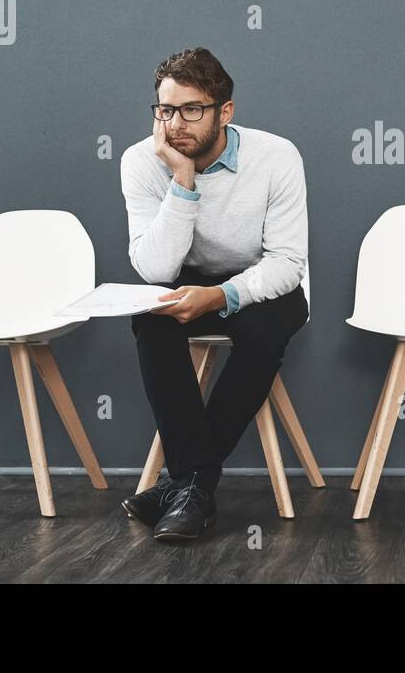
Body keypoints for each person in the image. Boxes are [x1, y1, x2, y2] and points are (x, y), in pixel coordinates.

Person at [118, 47, 309, 541]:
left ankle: (186, 484)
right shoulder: (142, 161)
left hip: (263, 284)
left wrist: (221, 296)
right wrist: (182, 182)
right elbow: (155, 268)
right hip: (185, 282)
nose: (175, 123)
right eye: (165, 110)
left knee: (264, 334)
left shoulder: (277, 156)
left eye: (191, 109)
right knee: (150, 319)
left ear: (225, 111)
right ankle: (195, 486)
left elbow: (287, 263)